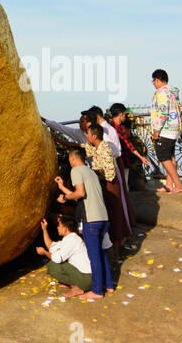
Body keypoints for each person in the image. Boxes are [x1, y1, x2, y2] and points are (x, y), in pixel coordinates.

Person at [55, 146, 114, 300]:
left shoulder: (75, 171)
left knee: (93, 256)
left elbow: (80, 193)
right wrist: (62, 188)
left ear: (73, 159)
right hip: (103, 218)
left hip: (91, 220)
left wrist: (65, 199)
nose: (69, 162)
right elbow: (81, 195)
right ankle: (108, 285)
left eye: (69, 159)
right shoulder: (91, 172)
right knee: (100, 252)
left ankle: (97, 291)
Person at [86, 105, 134, 238]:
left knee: (117, 206)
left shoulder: (106, 133)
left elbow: (114, 152)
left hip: (111, 169)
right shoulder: (103, 133)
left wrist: (103, 174)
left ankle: (121, 235)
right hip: (109, 168)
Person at [83, 121, 129, 257]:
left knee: (113, 215)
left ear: (94, 136)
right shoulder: (95, 148)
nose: (86, 136)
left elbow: (110, 174)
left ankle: (116, 249)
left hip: (109, 186)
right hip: (103, 185)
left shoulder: (105, 149)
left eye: (88, 134)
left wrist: (96, 173)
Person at [36, 212, 93, 296]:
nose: (57, 227)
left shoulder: (72, 240)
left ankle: (77, 288)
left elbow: (57, 259)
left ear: (65, 228)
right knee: (57, 261)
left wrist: (44, 252)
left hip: (87, 279)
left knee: (53, 265)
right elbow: (51, 246)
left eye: (59, 225)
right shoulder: (69, 238)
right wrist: (44, 229)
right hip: (86, 277)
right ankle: (74, 283)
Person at [150, 70, 182, 193]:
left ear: (157, 80)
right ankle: (169, 185)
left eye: (153, 81)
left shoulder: (162, 93)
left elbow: (163, 113)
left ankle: (179, 185)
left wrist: (156, 130)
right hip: (174, 128)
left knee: (164, 157)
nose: (153, 83)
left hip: (165, 130)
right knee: (170, 158)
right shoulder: (173, 92)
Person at [107, 103, 151, 188]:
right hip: (117, 160)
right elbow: (128, 145)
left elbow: (129, 145)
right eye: (124, 114)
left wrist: (141, 157)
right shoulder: (112, 128)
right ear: (121, 114)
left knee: (123, 185)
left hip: (123, 160)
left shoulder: (117, 127)